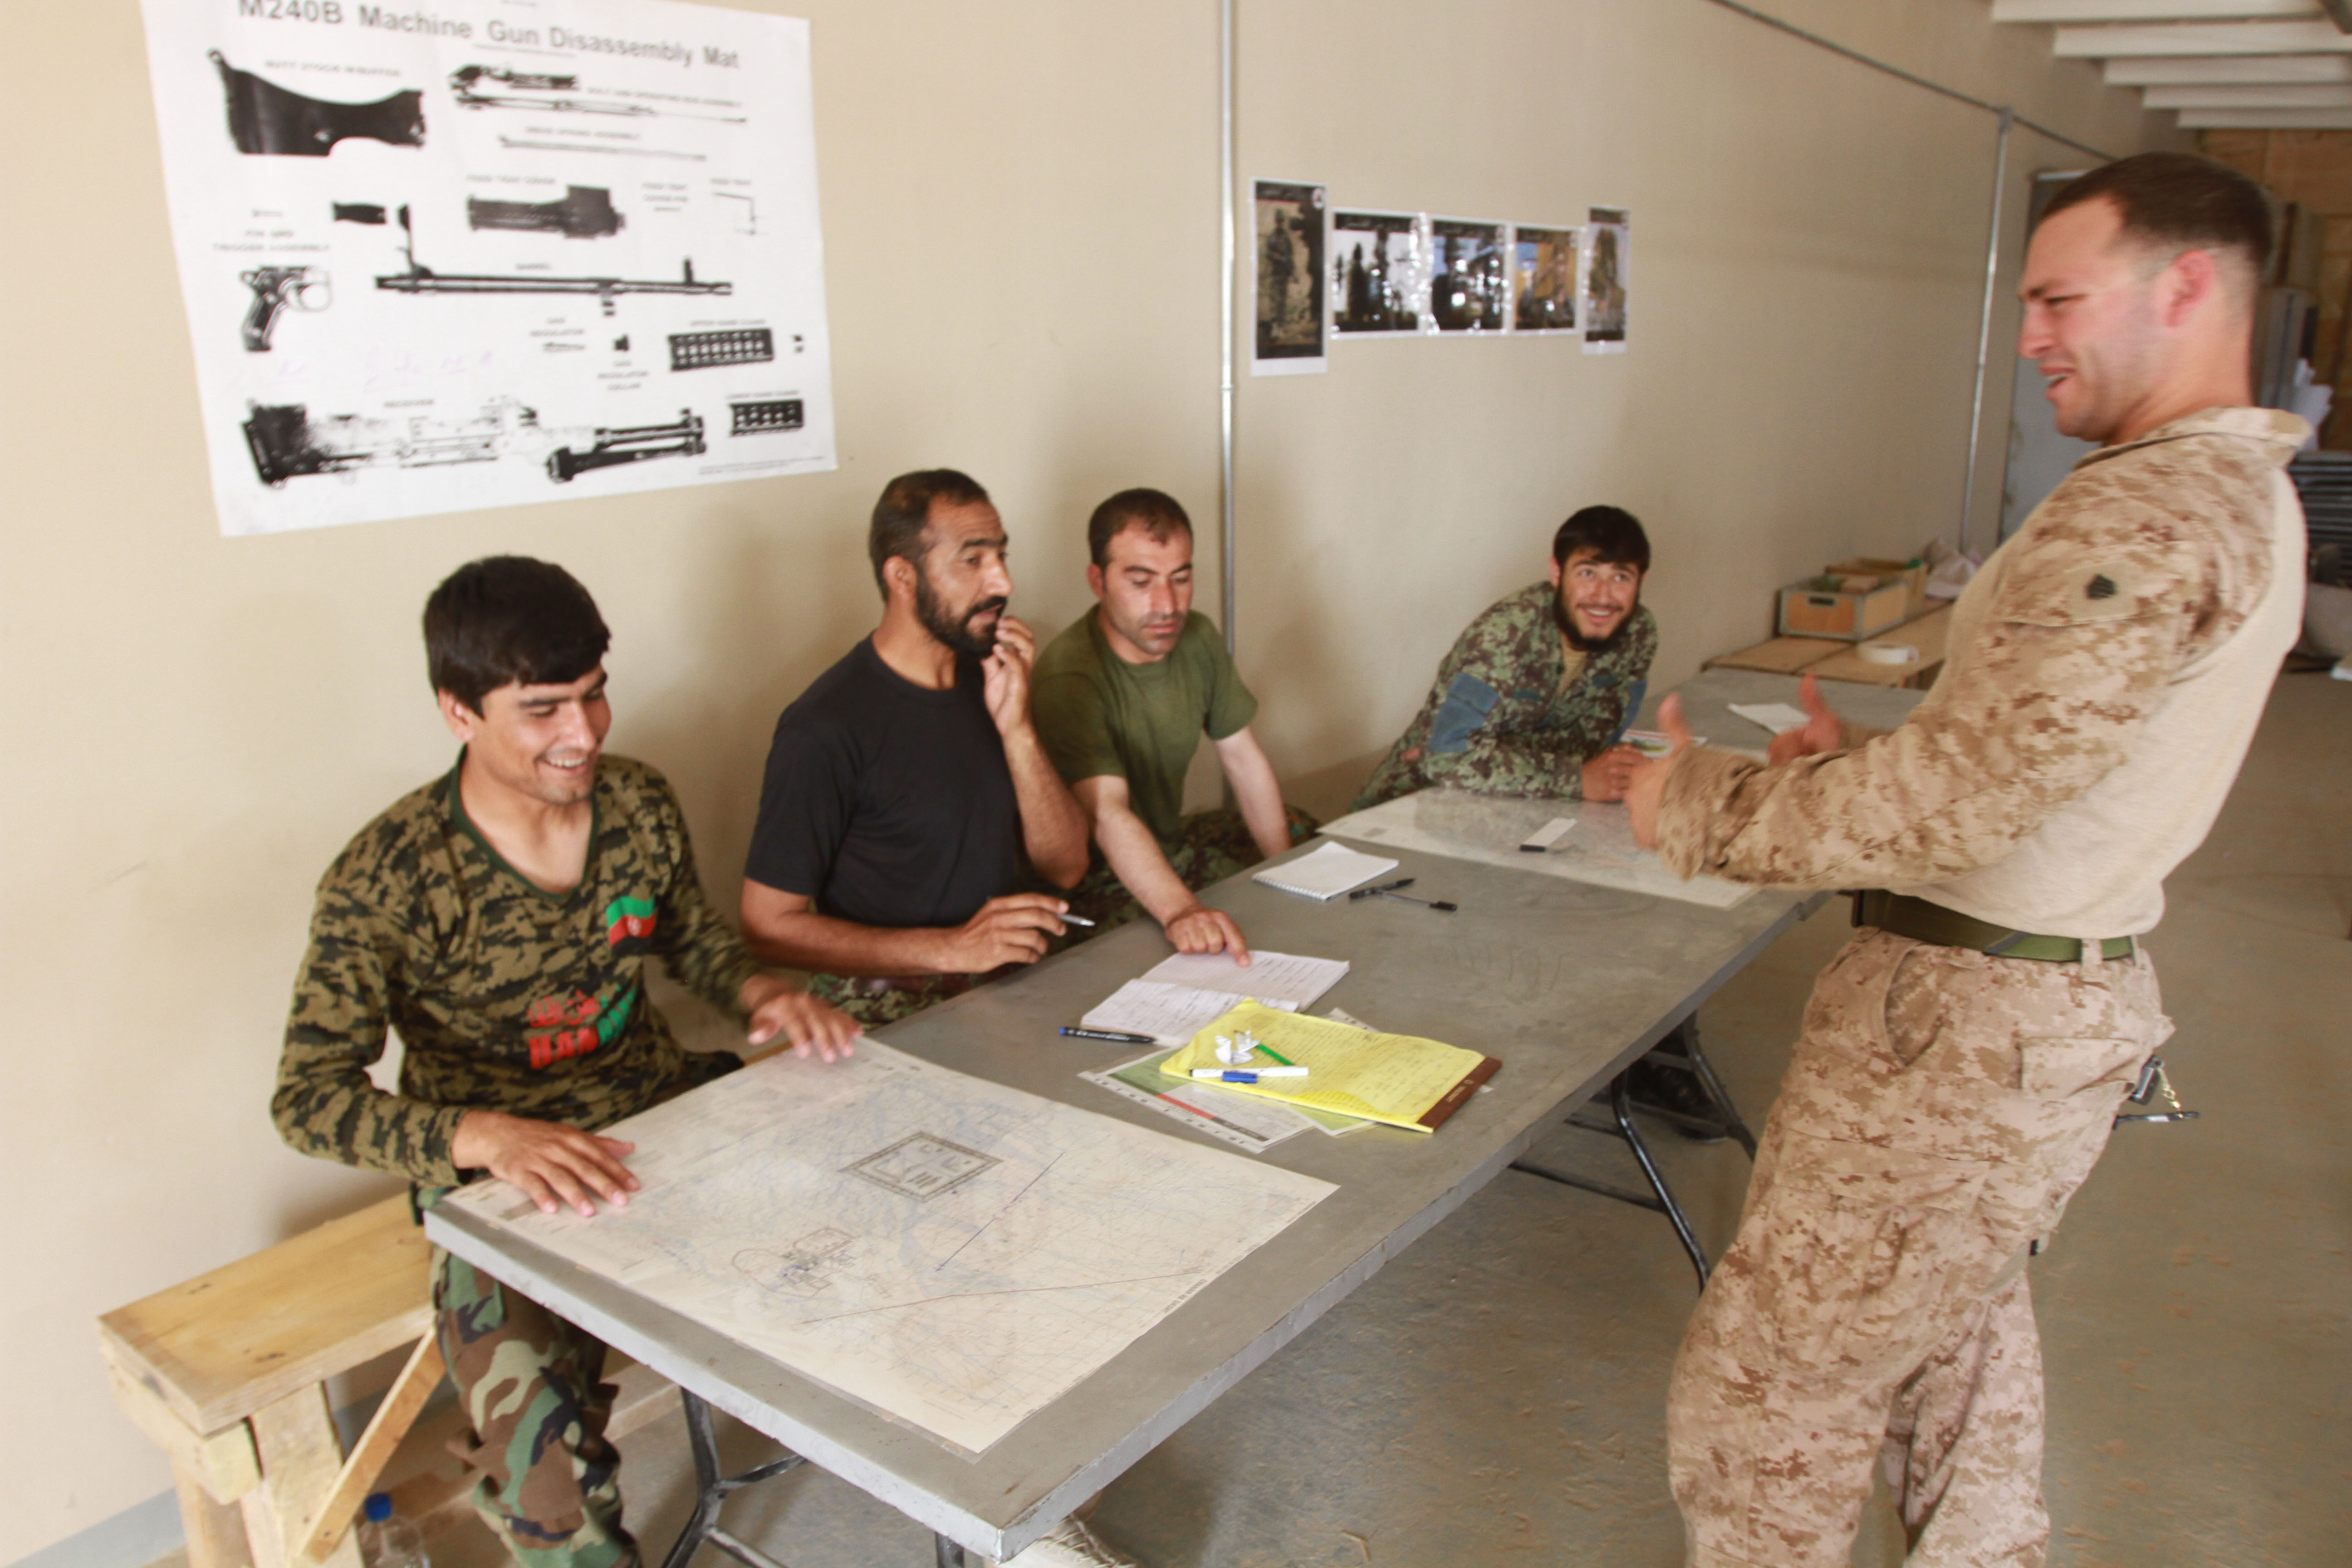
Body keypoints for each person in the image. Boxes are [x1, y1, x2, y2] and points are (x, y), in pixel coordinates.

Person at [1625, 152, 2307, 1566]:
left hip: (1961, 1040)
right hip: (2037, 1013)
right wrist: (1859, 777)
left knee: (1774, 1397)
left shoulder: (2150, 513)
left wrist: (1703, 800)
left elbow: (1972, 796)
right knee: (1958, 1351)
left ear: (2185, 287)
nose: (2032, 336)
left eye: (2061, 298)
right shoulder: (2238, 494)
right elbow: (2026, 766)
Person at [273, 557, 860, 1568]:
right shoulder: (389, 877)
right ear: (459, 712)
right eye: (542, 710)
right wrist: (486, 1138)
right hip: (506, 1178)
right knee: (551, 1474)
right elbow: (307, 1099)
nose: (583, 734)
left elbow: (688, 938)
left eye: (593, 696)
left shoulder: (637, 802)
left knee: (894, 1186)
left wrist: (760, 991)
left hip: (658, 1106)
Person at [740, 469, 1091, 1030]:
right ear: (903, 577)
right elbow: (767, 927)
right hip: (891, 999)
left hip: (1006, 983)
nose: (1002, 583)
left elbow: (1067, 866)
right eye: (972, 561)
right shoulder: (823, 728)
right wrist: (950, 949)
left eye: (1001, 556)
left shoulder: (993, 675)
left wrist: (1018, 728)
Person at [1032, 488, 1317, 957]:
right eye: (1141, 583)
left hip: (1173, 848)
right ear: (1097, 581)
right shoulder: (1072, 676)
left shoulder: (1197, 637)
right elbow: (1107, 814)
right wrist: (1182, 911)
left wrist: (1284, 870)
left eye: (1181, 579)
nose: (1167, 604)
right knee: (1230, 940)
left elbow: (1242, 757)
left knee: (1303, 843)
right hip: (1099, 884)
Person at [1354, 505, 1657, 811]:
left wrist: (1594, 771)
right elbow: (1447, 757)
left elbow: (1598, 740)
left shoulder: (1638, 634)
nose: (1603, 596)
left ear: (1640, 582)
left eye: (1621, 577)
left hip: (1521, 805)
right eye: (1587, 573)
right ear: (1557, 573)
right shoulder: (1504, 636)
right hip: (1412, 807)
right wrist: (1573, 777)